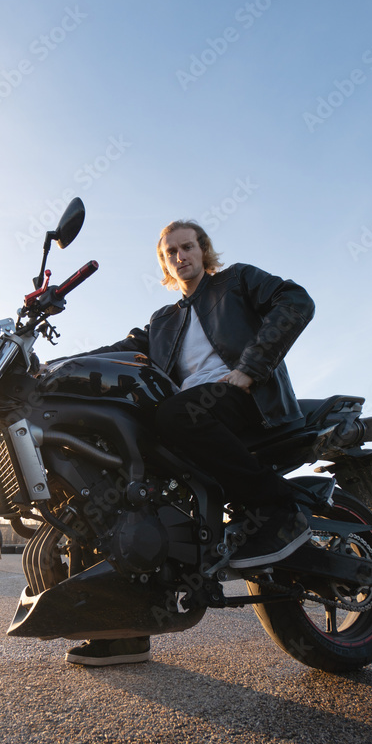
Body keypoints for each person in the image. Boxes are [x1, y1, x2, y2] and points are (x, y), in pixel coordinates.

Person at [64, 219, 315, 667]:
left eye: (188, 247)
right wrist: (52, 365)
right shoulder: (163, 320)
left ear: (204, 251)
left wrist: (252, 367)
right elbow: (117, 351)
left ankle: (279, 508)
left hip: (243, 397)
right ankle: (124, 631)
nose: (180, 256)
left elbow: (296, 301)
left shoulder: (237, 281)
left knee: (175, 413)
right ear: (164, 263)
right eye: (171, 252)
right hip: (191, 413)